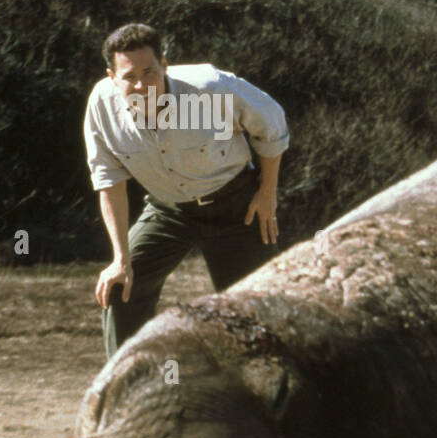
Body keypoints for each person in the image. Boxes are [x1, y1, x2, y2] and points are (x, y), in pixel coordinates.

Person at [84, 23, 290, 358]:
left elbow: (273, 125)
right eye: (129, 76)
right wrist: (120, 259)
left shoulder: (210, 89)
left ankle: (264, 399)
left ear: (164, 65)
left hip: (237, 207)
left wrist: (267, 193)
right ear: (112, 77)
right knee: (121, 286)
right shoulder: (101, 106)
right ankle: (130, 390)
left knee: (251, 311)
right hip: (169, 210)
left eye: (150, 71)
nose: (142, 84)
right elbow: (108, 181)